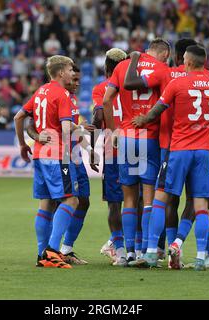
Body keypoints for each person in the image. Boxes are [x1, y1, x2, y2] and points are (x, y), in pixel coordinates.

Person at [131, 45, 209, 270]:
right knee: (201, 205)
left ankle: (151, 252)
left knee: (161, 200)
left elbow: (158, 110)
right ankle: (201, 257)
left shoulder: (177, 83)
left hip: (178, 149)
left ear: (186, 62)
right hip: (203, 151)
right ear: (204, 62)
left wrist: (144, 120)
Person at [14, 55, 88, 269]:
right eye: (68, 69)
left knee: (46, 204)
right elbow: (66, 128)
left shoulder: (40, 92)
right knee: (71, 201)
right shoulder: (62, 94)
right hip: (57, 156)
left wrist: (23, 144)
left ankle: (41, 253)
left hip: (39, 154)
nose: (72, 73)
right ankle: (53, 251)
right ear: (60, 72)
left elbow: (19, 117)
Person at [103, 39, 171, 265]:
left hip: (126, 138)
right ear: (164, 53)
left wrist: (113, 130)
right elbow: (166, 105)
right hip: (149, 137)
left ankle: (129, 252)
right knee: (149, 198)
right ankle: (146, 251)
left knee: (129, 198)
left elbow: (106, 99)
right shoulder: (162, 69)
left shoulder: (122, 66)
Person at [91, 48, 127, 265]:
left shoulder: (100, 89)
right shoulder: (133, 88)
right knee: (138, 201)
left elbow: (97, 117)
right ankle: (136, 249)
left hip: (112, 151)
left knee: (115, 204)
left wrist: (93, 150)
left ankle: (120, 251)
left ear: (106, 67)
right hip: (137, 146)